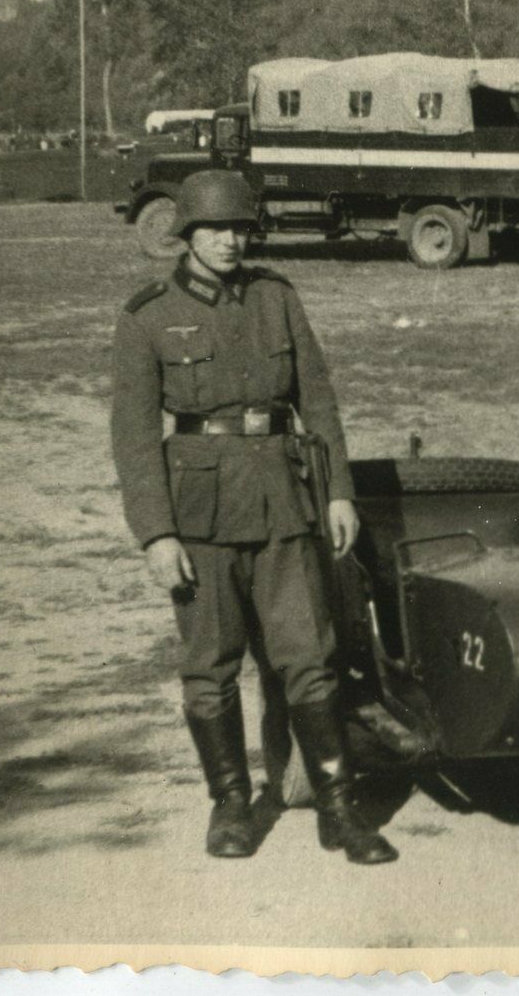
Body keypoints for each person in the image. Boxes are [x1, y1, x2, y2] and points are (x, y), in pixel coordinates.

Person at [110, 169, 397, 865]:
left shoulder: (277, 298)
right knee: (210, 666)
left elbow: (318, 399)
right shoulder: (147, 314)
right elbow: (133, 434)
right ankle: (232, 805)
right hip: (199, 516)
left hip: (284, 506)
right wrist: (156, 533)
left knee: (311, 658)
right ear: (186, 235)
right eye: (214, 230)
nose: (230, 241)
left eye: (240, 228)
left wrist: (336, 492)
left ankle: (339, 810)